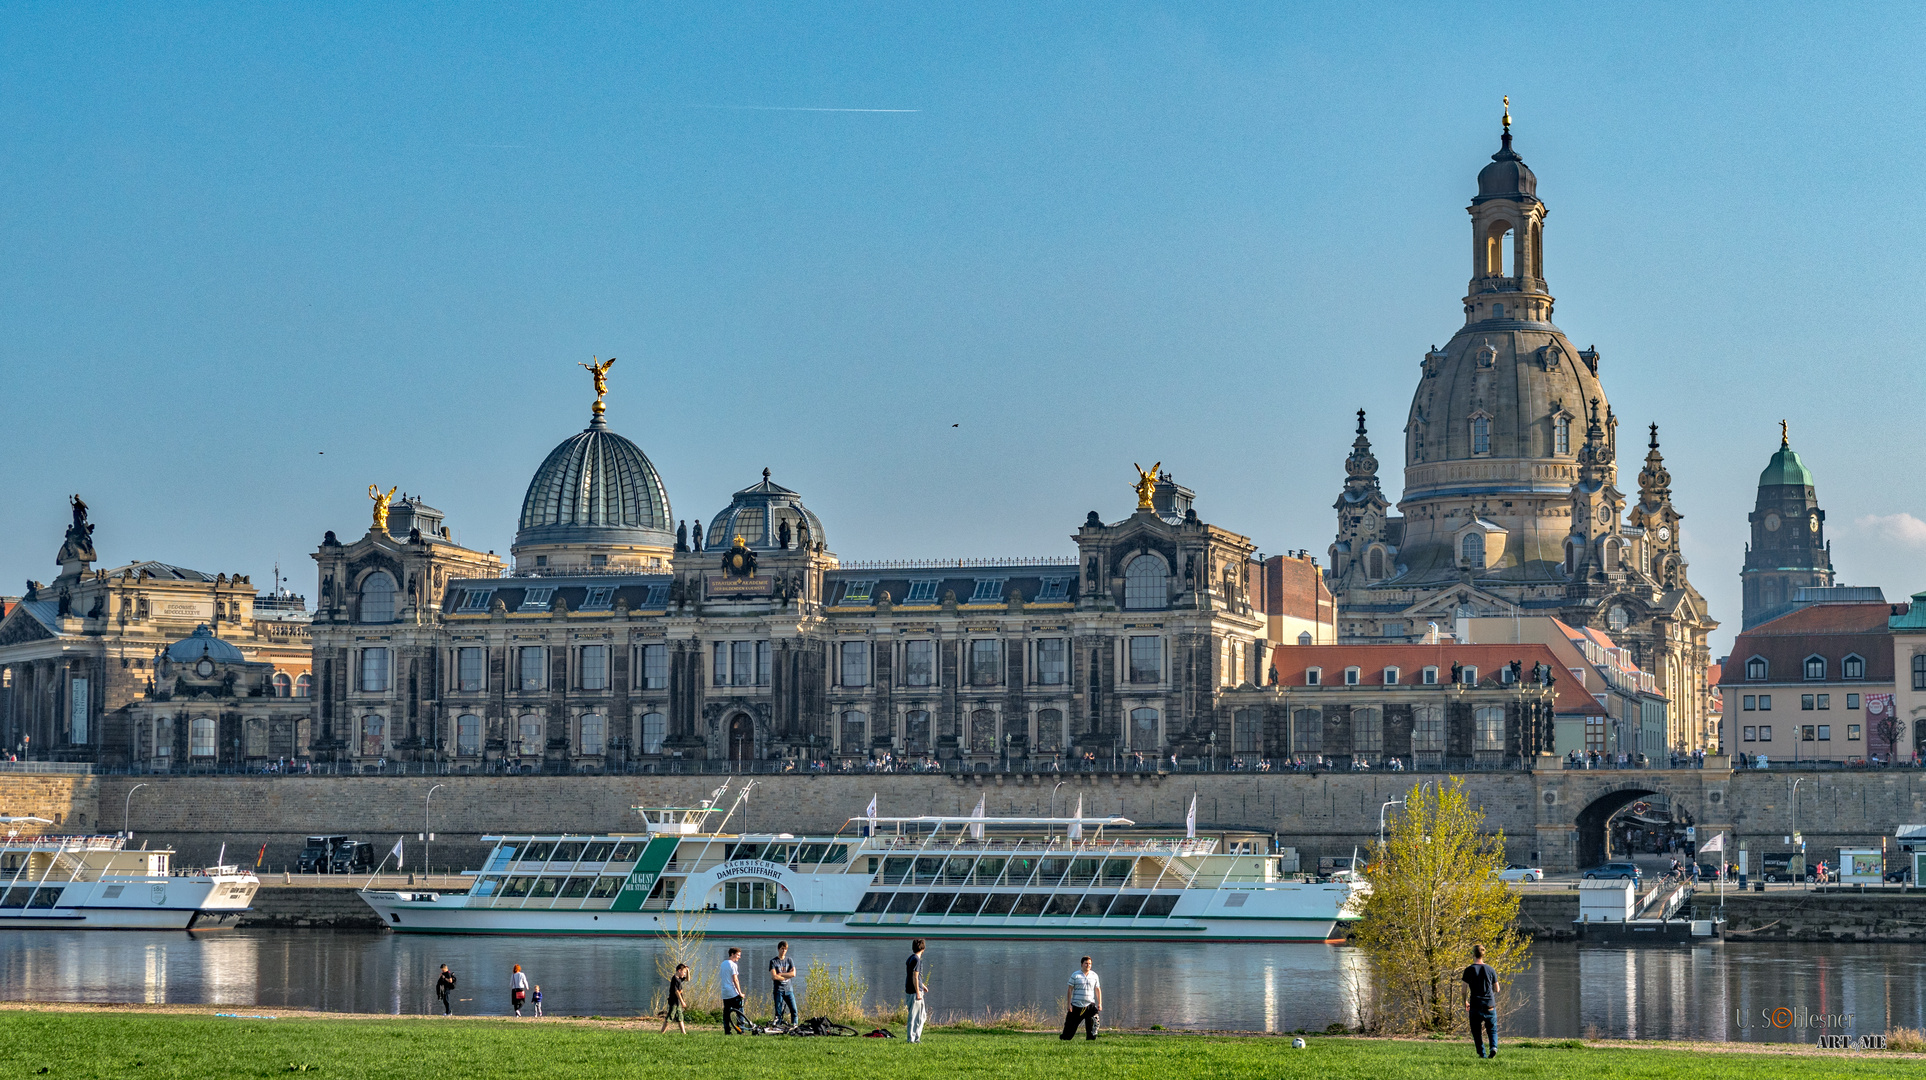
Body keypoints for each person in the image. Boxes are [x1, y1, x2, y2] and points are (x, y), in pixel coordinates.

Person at [1461, 944, 1499, 1059]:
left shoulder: (1469, 970)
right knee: (1492, 1030)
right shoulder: (1490, 969)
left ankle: (1482, 1055)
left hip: (1475, 1005)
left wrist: (1465, 1002)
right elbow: (1497, 989)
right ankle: (1493, 1047)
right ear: (1483, 954)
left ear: (1473, 954)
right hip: (1489, 1005)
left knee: (1477, 1033)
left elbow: (1463, 990)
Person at [1060, 956, 1102, 1041]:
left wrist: (1099, 1003)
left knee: (1093, 1026)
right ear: (1082, 964)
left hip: (1090, 1005)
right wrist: (1069, 1004)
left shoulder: (1094, 975)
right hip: (1076, 1005)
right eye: (1086, 963)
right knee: (1070, 1028)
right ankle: (1065, 1039)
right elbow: (1070, 990)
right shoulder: (1075, 975)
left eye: (1090, 964)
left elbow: (1097, 989)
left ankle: (1090, 1041)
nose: (1088, 965)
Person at [904, 938, 928, 1043]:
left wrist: (923, 985)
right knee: (915, 1017)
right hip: (914, 992)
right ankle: (912, 1039)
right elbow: (915, 976)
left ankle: (915, 1037)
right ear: (923, 948)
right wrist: (918, 992)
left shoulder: (911, 958)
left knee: (921, 1016)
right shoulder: (917, 960)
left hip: (910, 989)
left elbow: (913, 976)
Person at [769, 941, 798, 1025]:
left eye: (785, 949)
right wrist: (787, 976)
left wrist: (781, 974)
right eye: (782, 949)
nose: (784, 951)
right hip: (778, 990)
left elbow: (793, 974)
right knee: (778, 1013)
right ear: (778, 949)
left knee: (794, 1010)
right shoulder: (773, 962)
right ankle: (778, 1028)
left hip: (789, 989)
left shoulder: (789, 960)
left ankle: (795, 1027)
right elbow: (774, 976)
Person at [721, 947, 747, 1034]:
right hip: (732, 992)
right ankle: (741, 1029)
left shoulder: (723, 964)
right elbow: (735, 980)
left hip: (725, 992)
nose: (739, 957)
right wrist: (740, 993)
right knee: (740, 1011)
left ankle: (727, 1030)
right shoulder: (733, 965)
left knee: (726, 1012)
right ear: (732, 954)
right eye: (738, 955)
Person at [660, 963, 689, 1034]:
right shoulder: (675, 979)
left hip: (678, 1002)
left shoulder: (679, 978)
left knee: (680, 1017)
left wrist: (688, 971)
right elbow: (677, 992)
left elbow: (688, 979)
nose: (684, 974)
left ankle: (684, 1033)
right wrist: (682, 1002)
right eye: (684, 972)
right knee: (670, 1016)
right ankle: (662, 1032)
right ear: (679, 970)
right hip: (674, 1001)